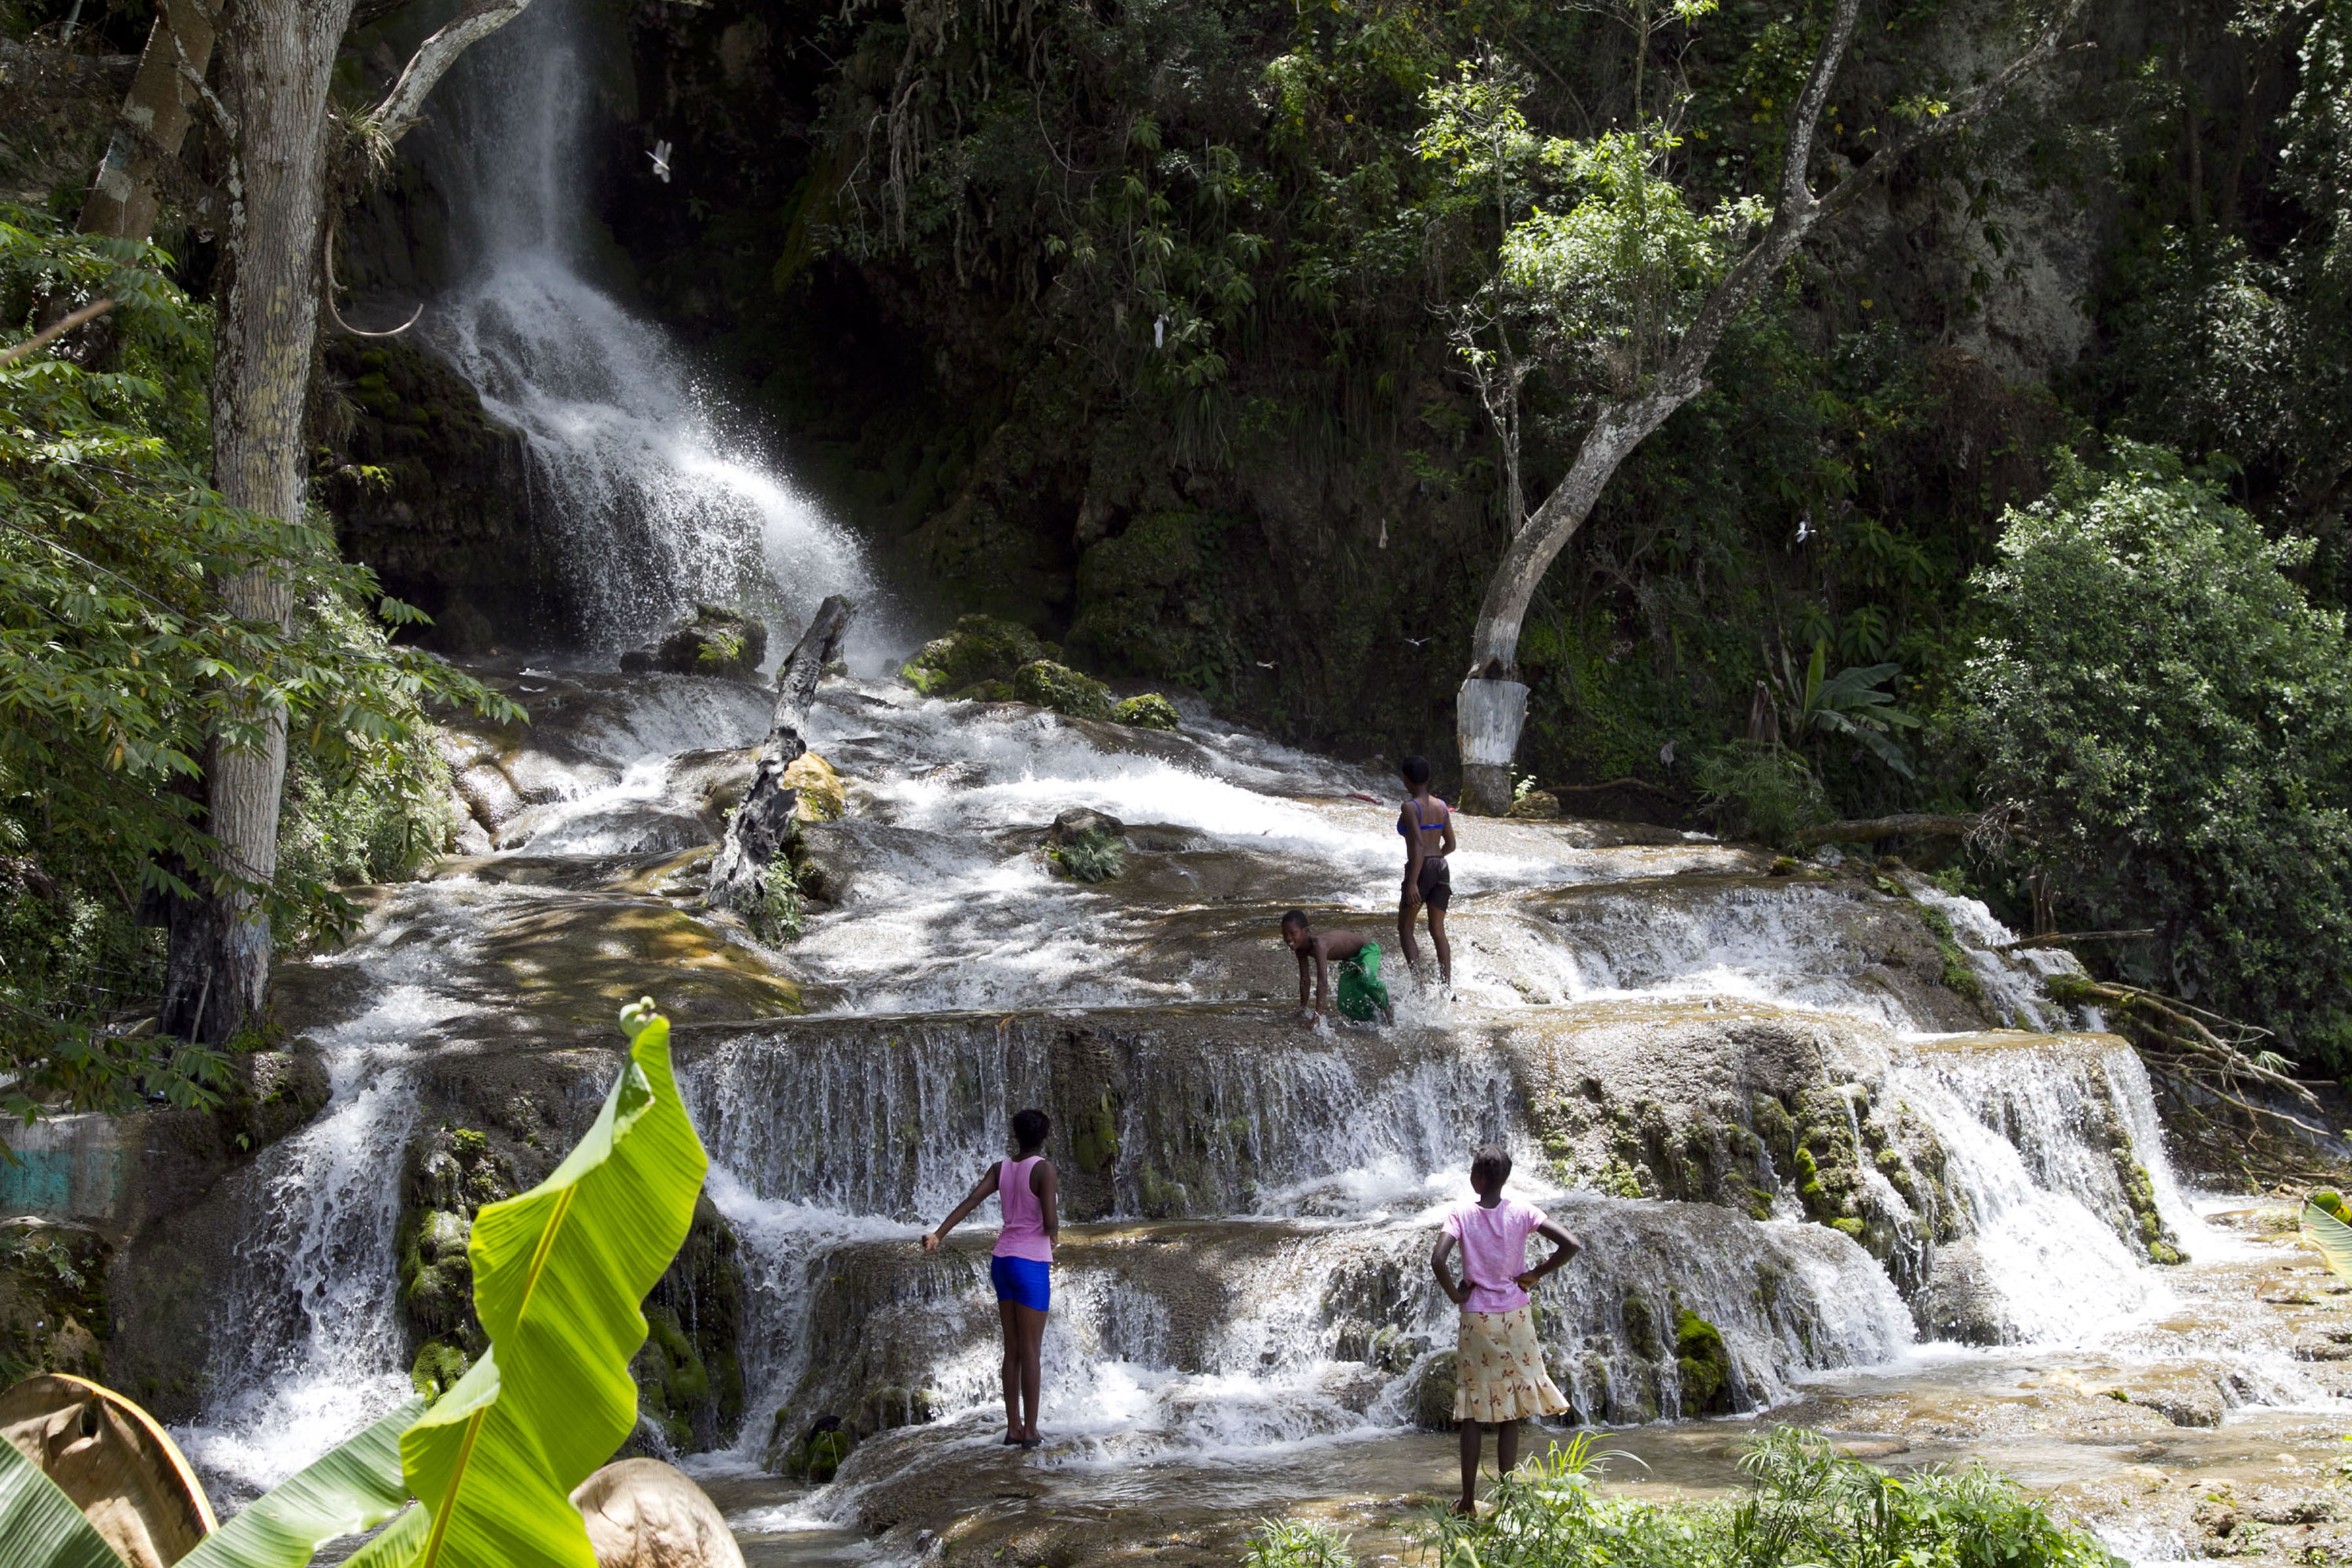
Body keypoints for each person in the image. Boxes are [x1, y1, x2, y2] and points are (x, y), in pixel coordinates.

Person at [1430, 1144, 1582, 1515]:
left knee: (1471, 1410)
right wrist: (1535, 1274)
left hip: (1478, 1317)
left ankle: (1467, 1500)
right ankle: (1508, 1496)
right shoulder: (1522, 1210)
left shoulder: (1461, 1214)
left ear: (1476, 1178)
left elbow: (1438, 1260)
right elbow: (1571, 1244)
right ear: (1506, 1178)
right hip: (1515, 1316)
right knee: (1511, 1408)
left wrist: (1456, 1294)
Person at [922, 1107, 1060, 1447]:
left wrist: (939, 1234)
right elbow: (1050, 1223)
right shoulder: (1044, 1169)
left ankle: (1013, 1428)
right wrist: (1055, 1234)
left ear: (1016, 1135)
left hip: (1002, 1260)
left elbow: (971, 1201)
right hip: (1031, 1263)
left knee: (1011, 1350)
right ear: (1044, 1136)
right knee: (1031, 1351)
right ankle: (1031, 1432)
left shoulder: (1002, 1169)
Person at [1397, 755, 1457, 989]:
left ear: (1406, 780)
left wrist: (1413, 881)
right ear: (1428, 778)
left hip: (1421, 868)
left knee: (1405, 928)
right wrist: (1436, 861)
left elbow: (1418, 846)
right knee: (1437, 930)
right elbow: (1451, 845)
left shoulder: (1410, 807)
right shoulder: (1441, 806)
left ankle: (1418, 984)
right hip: (1441, 867)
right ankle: (1446, 986)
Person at [1279, 909, 1392, 1024]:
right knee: (1345, 1004)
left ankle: (1387, 1007)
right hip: (1349, 961)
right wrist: (1302, 1009)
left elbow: (1322, 982)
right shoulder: (1300, 948)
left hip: (1367, 951)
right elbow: (1305, 980)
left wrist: (1317, 1016)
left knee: (1367, 981)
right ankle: (1375, 1015)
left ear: (1305, 931)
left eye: (1293, 933)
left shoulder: (1319, 944)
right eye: (1285, 935)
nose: (1288, 938)